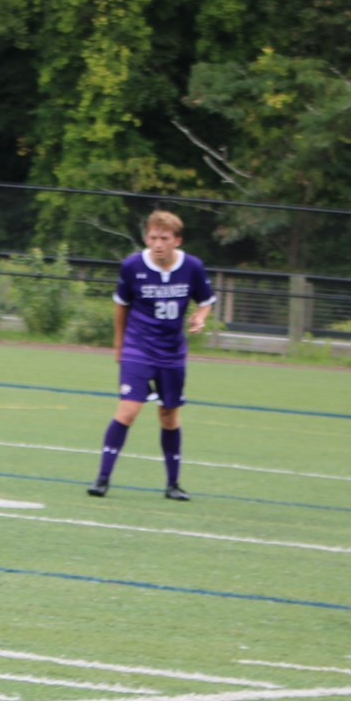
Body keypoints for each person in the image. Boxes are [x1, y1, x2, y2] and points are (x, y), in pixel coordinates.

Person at [87, 209, 215, 501]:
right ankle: (102, 478)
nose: (158, 244)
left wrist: (200, 317)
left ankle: (173, 484)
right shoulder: (133, 266)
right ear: (147, 238)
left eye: (164, 238)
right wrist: (119, 345)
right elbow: (121, 306)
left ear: (176, 241)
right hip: (138, 348)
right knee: (129, 410)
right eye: (153, 237)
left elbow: (206, 301)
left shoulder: (192, 267)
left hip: (172, 353)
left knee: (169, 416)